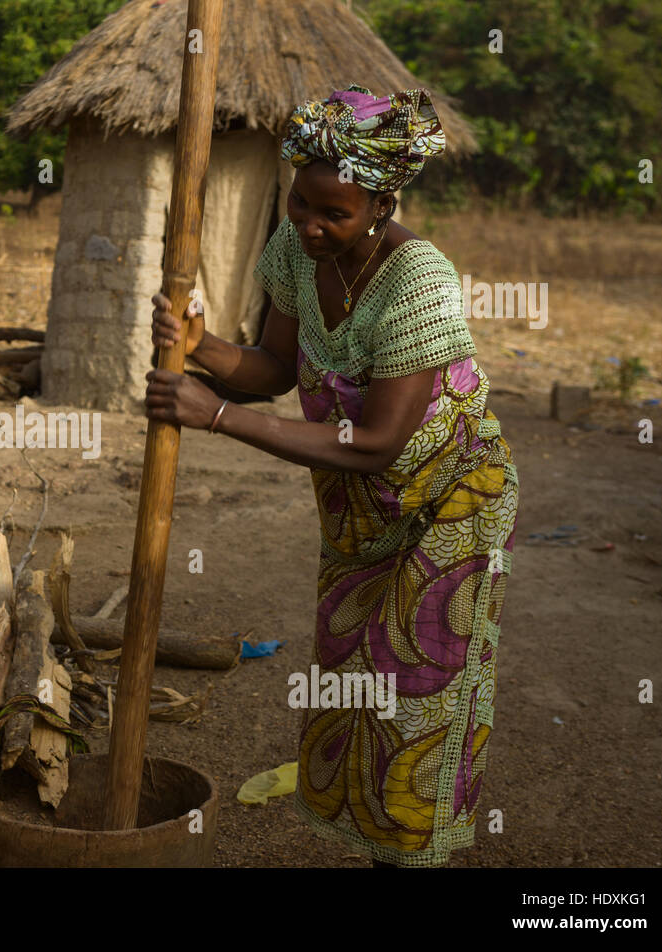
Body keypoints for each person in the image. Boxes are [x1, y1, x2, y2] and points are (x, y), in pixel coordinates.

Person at [146, 85, 518, 868]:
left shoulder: (418, 282)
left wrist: (213, 416)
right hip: (361, 510)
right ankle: (373, 841)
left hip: (447, 506)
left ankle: (413, 855)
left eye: (333, 214)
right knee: (353, 678)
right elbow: (275, 368)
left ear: (381, 203)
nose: (311, 225)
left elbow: (378, 440)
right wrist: (205, 347)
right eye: (301, 203)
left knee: (418, 686)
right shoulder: (293, 249)